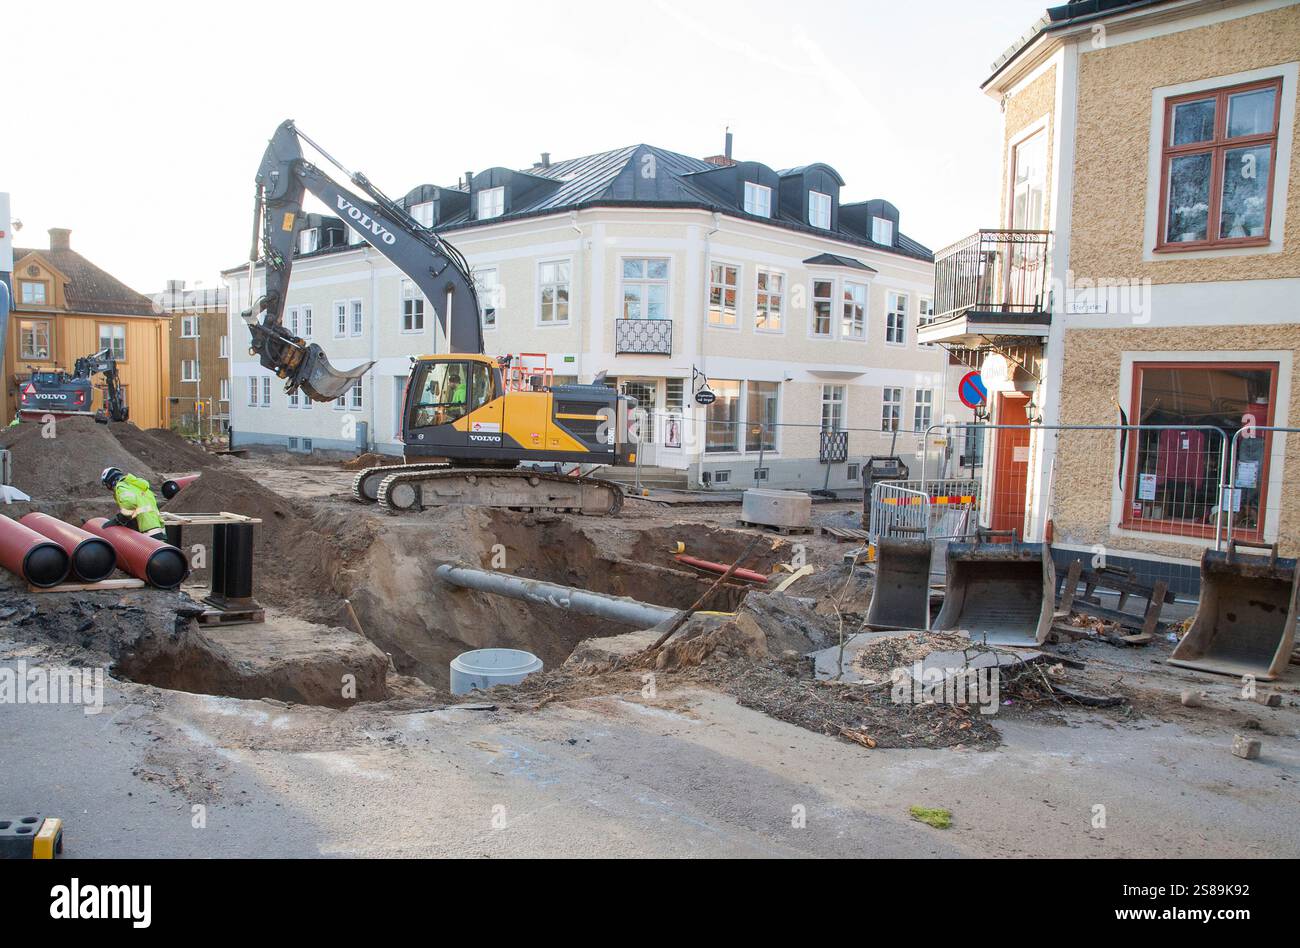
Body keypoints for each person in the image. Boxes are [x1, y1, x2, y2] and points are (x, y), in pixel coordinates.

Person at [101, 467, 165, 539]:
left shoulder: (121, 486)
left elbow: (129, 503)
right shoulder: (137, 487)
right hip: (157, 529)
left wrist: (120, 519)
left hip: (147, 531)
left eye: (107, 485)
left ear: (110, 481)